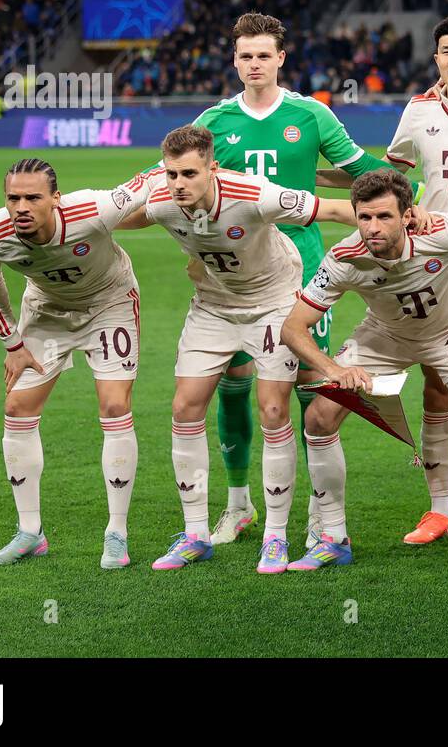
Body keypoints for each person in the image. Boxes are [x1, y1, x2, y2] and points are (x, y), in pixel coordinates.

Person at [184, 11, 418, 550]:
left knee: (311, 385)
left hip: (305, 264)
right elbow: (185, 184)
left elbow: (362, 168)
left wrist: (412, 202)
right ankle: (238, 505)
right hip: (236, 270)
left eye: (264, 55)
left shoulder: (311, 115)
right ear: (234, 59)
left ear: (281, 58)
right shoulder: (213, 122)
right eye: (245, 56)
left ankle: (320, 514)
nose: (254, 64)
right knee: (234, 384)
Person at [121, 125, 356, 574]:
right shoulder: (161, 199)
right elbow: (115, 215)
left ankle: (275, 538)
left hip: (272, 302)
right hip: (213, 306)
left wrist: (405, 215)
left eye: (189, 174)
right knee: (185, 407)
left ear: (213, 168)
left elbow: (333, 210)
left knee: (273, 411)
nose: (178, 184)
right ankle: (195, 534)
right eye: (171, 174)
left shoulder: (256, 194)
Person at [279, 170, 448, 581]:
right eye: (364, 217)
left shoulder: (446, 230)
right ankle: (333, 539)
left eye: (384, 216)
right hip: (385, 336)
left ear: (407, 214)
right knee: (318, 417)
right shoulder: (344, 259)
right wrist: (335, 368)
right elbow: (293, 328)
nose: (372, 227)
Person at [0, 159, 149, 569]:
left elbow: (145, 182)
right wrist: (12, 343)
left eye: (33, 197)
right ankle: (30, 532)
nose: (21, 207)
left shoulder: (94, 209)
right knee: (17, 408)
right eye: (13, 198)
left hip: (110, 304)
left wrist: (181, 162)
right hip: (49, 312)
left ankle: (116, 533)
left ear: (55, 198)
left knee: (115, 406)